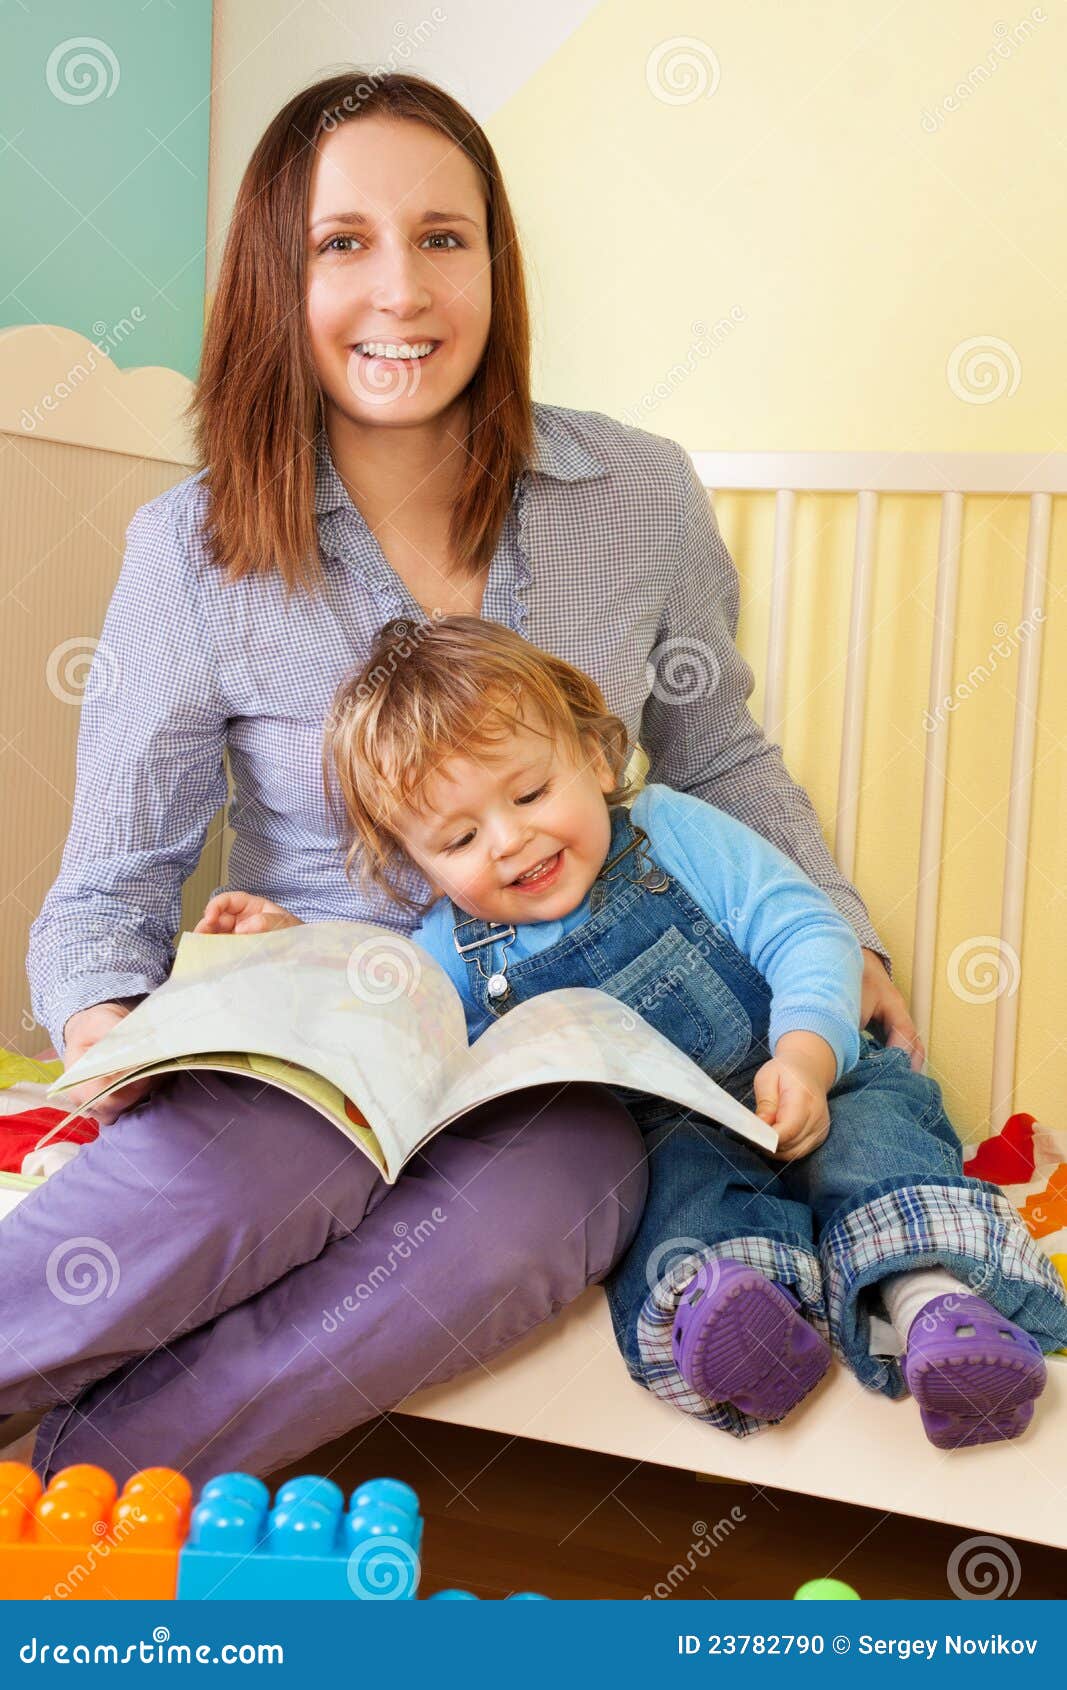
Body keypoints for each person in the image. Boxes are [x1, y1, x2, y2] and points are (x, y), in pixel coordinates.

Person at [7, 67, 906, 1486]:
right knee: (267, 1166)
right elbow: (112, 875)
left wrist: (836, 933)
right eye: (342, 243)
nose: (402, 291)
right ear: (275, 275)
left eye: (443, 237)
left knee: (554, 1205)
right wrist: (116, 1033)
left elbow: (715, 751)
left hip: (559, 1053)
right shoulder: (191, 548)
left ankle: (98, 1483)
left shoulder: (641, 492)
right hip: (317, 1022)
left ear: (494, 259)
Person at [196, 616, 1067, 1449]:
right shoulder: (445, 951)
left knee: (875, 1146)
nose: (509, 841)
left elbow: (803, 929)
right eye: (458, 838)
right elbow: (388, 1032)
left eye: (531, 792)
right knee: (673, 1203)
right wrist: (295, 953)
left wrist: (805, 1051)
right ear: (411, 863)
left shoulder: (668, 830)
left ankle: (933, 1312)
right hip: (668, 1139)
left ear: (592, 752)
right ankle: (744, 1327)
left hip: (813, 1077)